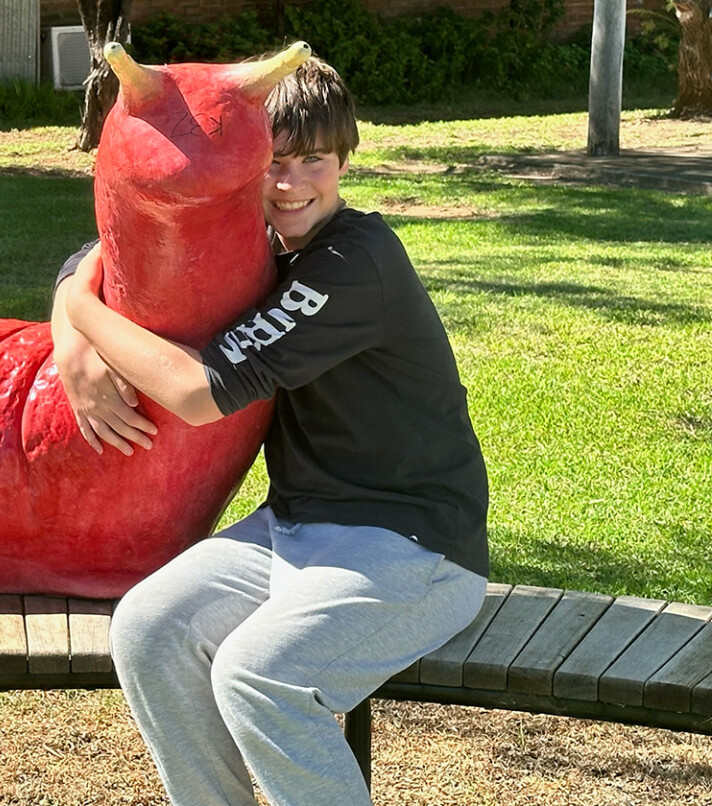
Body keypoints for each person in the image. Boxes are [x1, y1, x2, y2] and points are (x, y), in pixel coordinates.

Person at [49, 57, 490, 806]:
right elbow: (97, 255)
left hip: (414, 549)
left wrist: (73, 311)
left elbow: (196, 392)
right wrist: (70, 338)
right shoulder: (264, 252)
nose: (289, 184)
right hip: (296, 528)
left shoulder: (355, 264)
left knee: (260, 676)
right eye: (270, 164)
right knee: (148, 628)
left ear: (345, 158)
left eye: (312, 160)